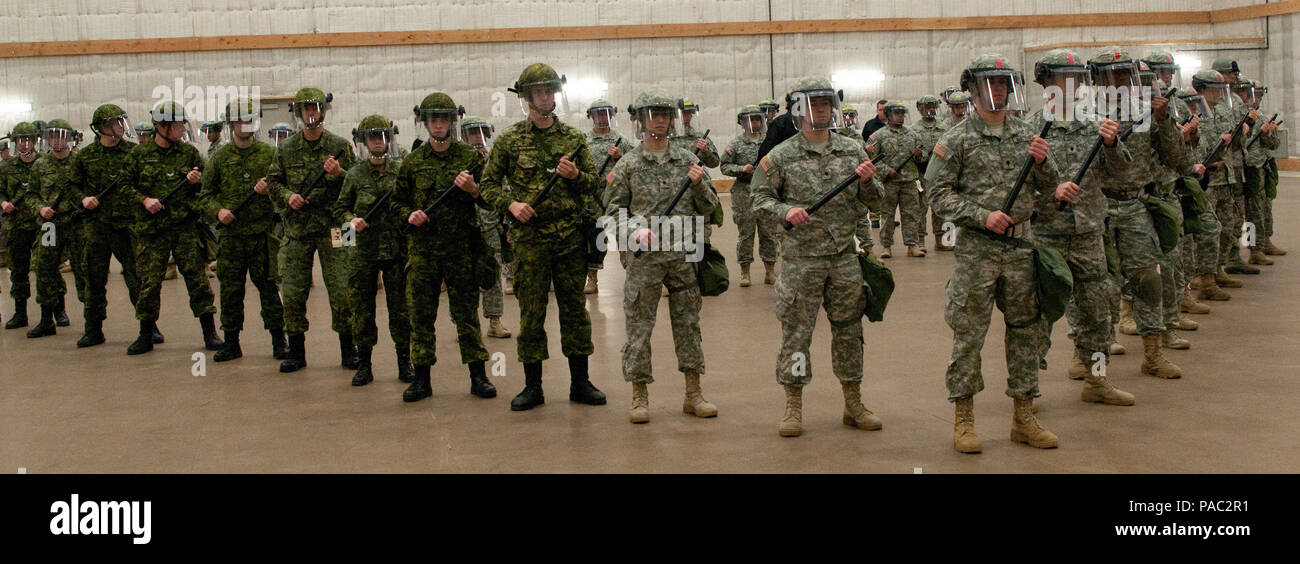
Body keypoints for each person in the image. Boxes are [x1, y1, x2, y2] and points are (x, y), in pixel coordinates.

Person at [926, 54, 1074, 453]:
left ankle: (1024, 416)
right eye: (989, 84)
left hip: (1023, 248)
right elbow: (937, 194)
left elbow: (1050, 184)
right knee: (969, 334)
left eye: (1004, 83)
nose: (999, 90)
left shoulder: (1029, 135)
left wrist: (1049, 173)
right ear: (972, 91)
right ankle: (964, 417)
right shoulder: (955, 139)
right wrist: (979, 215)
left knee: (1027, 332)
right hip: (978, 250)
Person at [751, 76, 885, 438]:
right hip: (800, 260)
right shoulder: (780, 156)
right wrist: (785, 210)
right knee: (796, 334)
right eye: (815, 104)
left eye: (827, 103)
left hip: (843, 258)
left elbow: (876, 202)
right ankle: (794, 404)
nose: (823, 110)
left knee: (849, 331)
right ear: (799, 110)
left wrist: (870, 182)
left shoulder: (853, 151)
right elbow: (758, 201)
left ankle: (853, 402)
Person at [479, 62, 606, 411]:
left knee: (574, 312)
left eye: (550, 90)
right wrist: (511, 204)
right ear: (527, 97)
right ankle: (532, 386)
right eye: (539, 91)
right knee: (531, 314)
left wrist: (576, 174)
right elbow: (487, 187)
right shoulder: (509, 140)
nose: (546, 97)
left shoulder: (573, 140)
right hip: (530, 242)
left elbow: (594, 187)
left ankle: (581, 382)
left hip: (568, 240)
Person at [605, 87, 720, 423]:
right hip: (644, 258)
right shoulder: (627, 164)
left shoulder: (688, 160)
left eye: (665, 115)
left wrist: (699, 185)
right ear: (641, 120)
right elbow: (613, 209)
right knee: (639, 326)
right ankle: (639, 396)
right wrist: (633, 231)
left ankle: (693, 393)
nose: (659, 121)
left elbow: (711, 206)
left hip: (683, 256)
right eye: (652, 115)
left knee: (688, 325)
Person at [1027, 49, 1135, 404]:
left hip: (1089, 233)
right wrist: (1050, 192)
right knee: (1037, 317)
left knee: (1098, 315)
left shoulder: (1096, 125)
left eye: (1077, 79)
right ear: (1047, 84)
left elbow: (1122, 173)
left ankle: (1097, 381)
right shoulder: (1029, 128)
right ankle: (1026, 393)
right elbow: (1014, 187)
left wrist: (1111, 143)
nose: (1072, 86)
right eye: (1064, 78)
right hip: (1046, 235)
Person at [264, 87, 359, 372]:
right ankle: (296, 350)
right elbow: (273, 182)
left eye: (315, 108)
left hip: (338, 227)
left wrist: (338, 174)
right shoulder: (287, 148)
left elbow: (357, 186)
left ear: (323, 111)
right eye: (305, 109)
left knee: (344, 289)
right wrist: (286, 197)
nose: (310, 113)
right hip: (297, 227)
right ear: (299, 113)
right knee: (292, 290)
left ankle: (349, 348)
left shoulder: (341, 146)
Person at [120, 101, 222, 355]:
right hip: (152, 231)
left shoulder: (188, 154)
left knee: (197, 281)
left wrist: (195, 182)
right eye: (177, 124)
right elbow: (124, 187)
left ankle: (210, 332)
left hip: (184, 228)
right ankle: (146, 333)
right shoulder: (138, 156)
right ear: (161, 126)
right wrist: (145, 200)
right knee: (149, 282)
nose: (181, 129)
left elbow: (203, 191)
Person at [200, 98, 288, 363]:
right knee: (230, 290)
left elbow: (283, 191)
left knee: (269, 289)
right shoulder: (220, 158)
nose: (245, 125)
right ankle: (231, 342)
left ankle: (278, 340)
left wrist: (269, 188)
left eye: (250, 119)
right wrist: (218, 212)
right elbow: (204, 196)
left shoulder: (269, 155)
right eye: (240, 120)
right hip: (231, 237)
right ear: (231, 124)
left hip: (262, 235)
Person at [333, 114, 413, 386]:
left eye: (383, 137)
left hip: (395, 250)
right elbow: (339, 209)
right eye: (373, 137)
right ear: (364, 142)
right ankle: (364, 364)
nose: (378, 142)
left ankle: (405, 362)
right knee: (362, 309)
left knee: (400, 309)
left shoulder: (401, 170)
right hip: (363, 253)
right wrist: (350, 222)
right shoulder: (354, 174)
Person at [74, 104, 152, 347]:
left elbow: (145, 183)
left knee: (137, 278)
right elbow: (72, 186)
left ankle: (148, 328)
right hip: (96, 227)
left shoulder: (133, 152)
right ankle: (93, 329)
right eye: (116, 122)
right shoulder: (86, 156)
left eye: (121, 121)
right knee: (94, 280)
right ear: (103, 127)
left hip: (127, 226)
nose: (121, 126)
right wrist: (83, 199)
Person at [27, 119, 81, 337]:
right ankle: (47, 319)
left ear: (68, 138)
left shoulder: (79, 162)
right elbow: (31, 194)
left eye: (61, 136)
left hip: (75, 224)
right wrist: (40, 209)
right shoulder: (40, 165)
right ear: (48, 139)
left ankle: (92, 321)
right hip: (50, 226)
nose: (57, 140)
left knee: (84, 269)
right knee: (45, 269)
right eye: (52, 136)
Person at [462, 115, 513, 338]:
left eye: (481, 132)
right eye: (472, 133)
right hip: (462, 227)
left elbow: (505, 189)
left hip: (490, 224)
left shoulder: (494, 158)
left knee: (492, 273)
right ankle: (465, 324)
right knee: (463, 278)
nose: (477, 137)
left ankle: (495, 321)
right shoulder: (456, 159)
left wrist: (508, 225)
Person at [720, 104, 776, 286]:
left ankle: (770, 271)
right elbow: (724, 166)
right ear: (742, 122)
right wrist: (741, 169)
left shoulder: (770, 142)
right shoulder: (735, 145)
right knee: (746, 234)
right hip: (744, 193)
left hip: (766, 192)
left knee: (768, 233)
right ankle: (745, 273)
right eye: (750, 119)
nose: (754, 122)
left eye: (757, 119)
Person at [867, 101, 925, 258]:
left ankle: (912, 245)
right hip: (889, 183)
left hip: (909, 182)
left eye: (902, 113)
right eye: (896, 113)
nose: (900, 116)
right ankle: (886, 246)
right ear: (888, 115)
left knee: (911, 214)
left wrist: (920, 155)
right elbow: (872, 159)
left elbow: (923, 158)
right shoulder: (878, 136)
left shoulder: (913, 136)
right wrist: (887, 171)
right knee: (887, 215)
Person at [1, 122, 43, 331]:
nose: (25, 144)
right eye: (21, 140)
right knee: (18, 270)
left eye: (28, 140)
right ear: (15, 143)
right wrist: (4, 203)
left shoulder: (44, 164)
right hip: (17, 226)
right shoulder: (7, 168)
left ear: (35, 141)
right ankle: (20, 313)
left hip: (42, 226)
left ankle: (55, 310)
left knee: (47, 268)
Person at [584, 99, 629, 294]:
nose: (603, 117)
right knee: (595, 238)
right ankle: (592, 279)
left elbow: (637, 161)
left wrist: (620, 156)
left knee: (624, 235)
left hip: (616, 195)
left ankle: (633, 276)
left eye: (606, 113)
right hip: (592, 198)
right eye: (599, 114)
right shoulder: (584, 141)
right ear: (592, 116)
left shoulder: (621, 141)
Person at [914, 94, 951, 251]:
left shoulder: (944, 127)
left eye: (932, 106)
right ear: (920, 109)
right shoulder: (914, 130)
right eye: (927, 107)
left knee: (940, 208)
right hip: (921, 174)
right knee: (920, 208)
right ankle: (920, 240)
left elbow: (949, 147)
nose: (930, 110)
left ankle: (940, 240)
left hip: (939, 174)